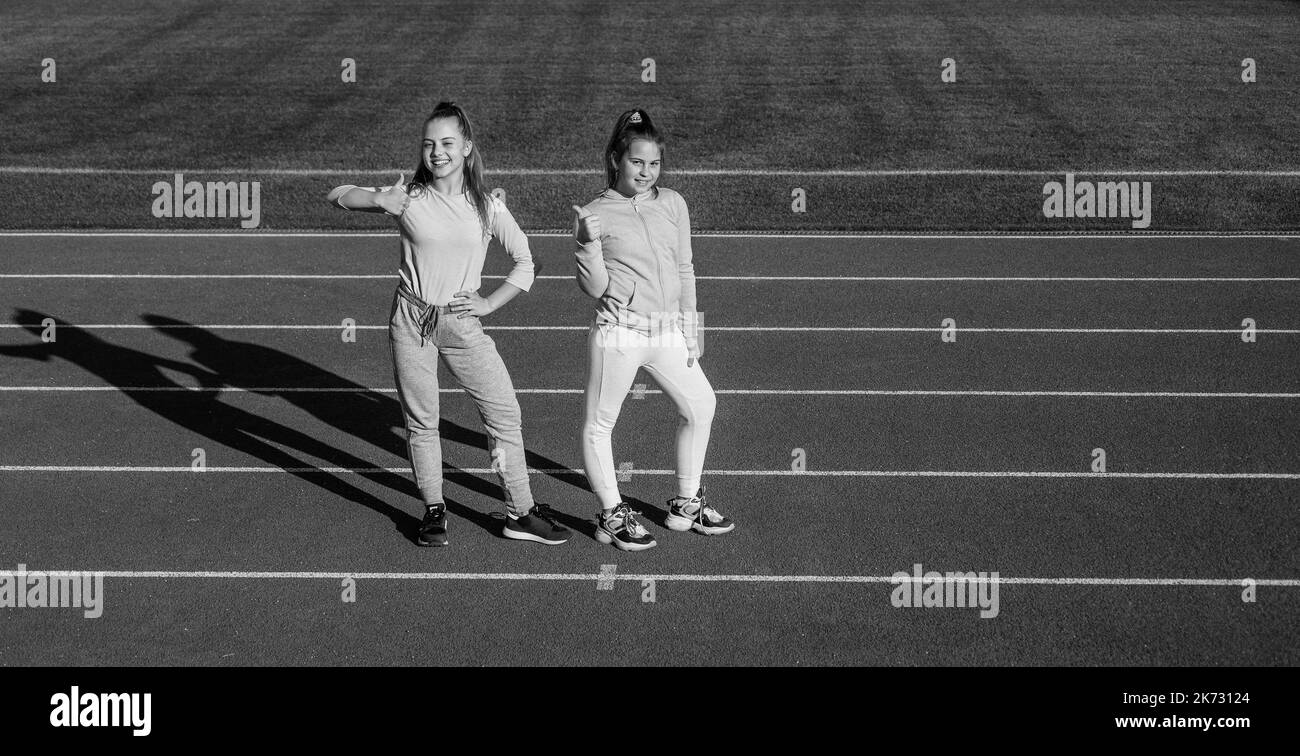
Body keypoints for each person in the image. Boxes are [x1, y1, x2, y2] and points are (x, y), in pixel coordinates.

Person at [327, 101, 570, 547]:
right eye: (428, 144)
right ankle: (434, 509)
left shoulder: (488, 206)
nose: (436, 152)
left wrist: (489, 303)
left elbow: (526, 262)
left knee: (504, 414)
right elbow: (337, 194)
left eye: (446, 144)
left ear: (467, 149)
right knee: (422, 422)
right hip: (411, 319)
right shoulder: (409, 197)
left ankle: (519, 512)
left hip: (461, 324)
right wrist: (379, 199)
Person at [572, 108, 735, 552]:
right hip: (619, 333)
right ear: (615, 159)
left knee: (701, 403)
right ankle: (611, 513)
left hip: (666, 332)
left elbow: (685, 267)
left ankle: (685, 503)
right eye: (636, 162)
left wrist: (692, 326)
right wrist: (586, 242)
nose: (645, 172)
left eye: (654, 163)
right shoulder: (592, 213)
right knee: (600, 424)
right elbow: (594, 288)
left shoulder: (674, 203)